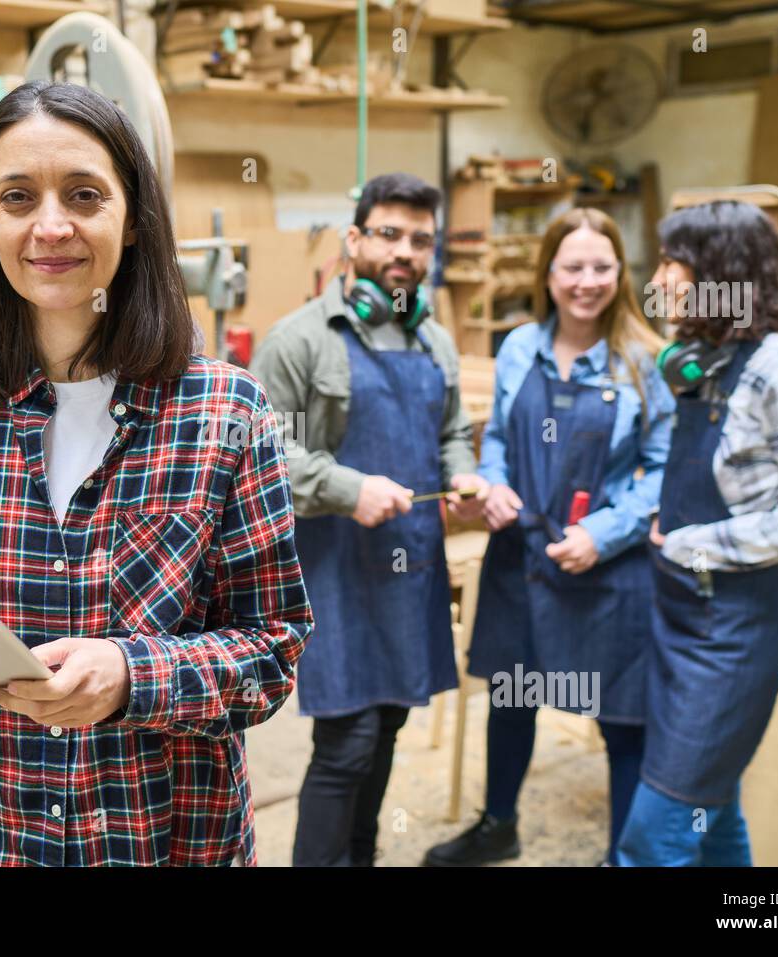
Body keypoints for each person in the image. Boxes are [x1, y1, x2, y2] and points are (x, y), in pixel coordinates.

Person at [0, 82, 312, 866]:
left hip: (167, 841)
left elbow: (273, 648)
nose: (50, 225)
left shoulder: (226, 412)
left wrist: (135, 673)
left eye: (85, 194)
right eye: (18, 196)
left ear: (133, 223)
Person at [424, 208, 675, 867]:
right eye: (573, 266)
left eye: (602, 266)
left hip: (608, 567)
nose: (587, 281)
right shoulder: (518, 347)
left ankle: (624, 856)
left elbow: (664, 470)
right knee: (513, 699)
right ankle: (499, 825)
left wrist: (603, 531)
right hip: (521, 556)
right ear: (549, 273)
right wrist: (495, 483)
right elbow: (501, 439)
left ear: (621, 273)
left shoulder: (645, 361)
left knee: (621, 720)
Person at [251, 172, 484, 867]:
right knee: (347, 743)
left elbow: (453, 431)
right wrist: (348, 487)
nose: (405, 251)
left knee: (388, 726)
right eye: (389, 233)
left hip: (410, 567)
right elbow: (263, 455)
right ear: (354, 240)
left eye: (421, 239)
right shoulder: (299, 340)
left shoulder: (435, 342)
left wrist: (462, 472)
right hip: (335, 570)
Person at [617, 200, 778, 866]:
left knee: (652, 840)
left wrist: (692, 544)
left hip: (733, 634)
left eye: (672, 264)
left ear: (721, 272)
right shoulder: (699, 358)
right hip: (676, 614)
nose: (656, 279)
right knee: (710, 818)